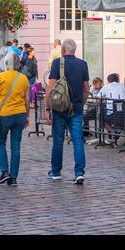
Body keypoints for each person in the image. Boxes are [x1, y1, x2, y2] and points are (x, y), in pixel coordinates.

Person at [0, 50, 30, 186]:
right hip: (20, 115)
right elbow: (27, 100)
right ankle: (13, 178)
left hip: (4, 115)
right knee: (16, 147)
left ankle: (5, 172)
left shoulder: (0, 77)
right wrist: (27, 116)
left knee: (1, 142)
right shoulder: (24, 78)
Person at [46, 38, 90, 185]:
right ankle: (79, 173)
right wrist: (80, 104)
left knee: (58, 140)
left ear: (63, 50)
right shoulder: (83, 64)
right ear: (74, 50)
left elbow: (51, 88)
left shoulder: (57, 63)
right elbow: (86, 88)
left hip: (59, 109)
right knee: (78, 141)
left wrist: (48, 108)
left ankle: (56, 172)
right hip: (76, 109)